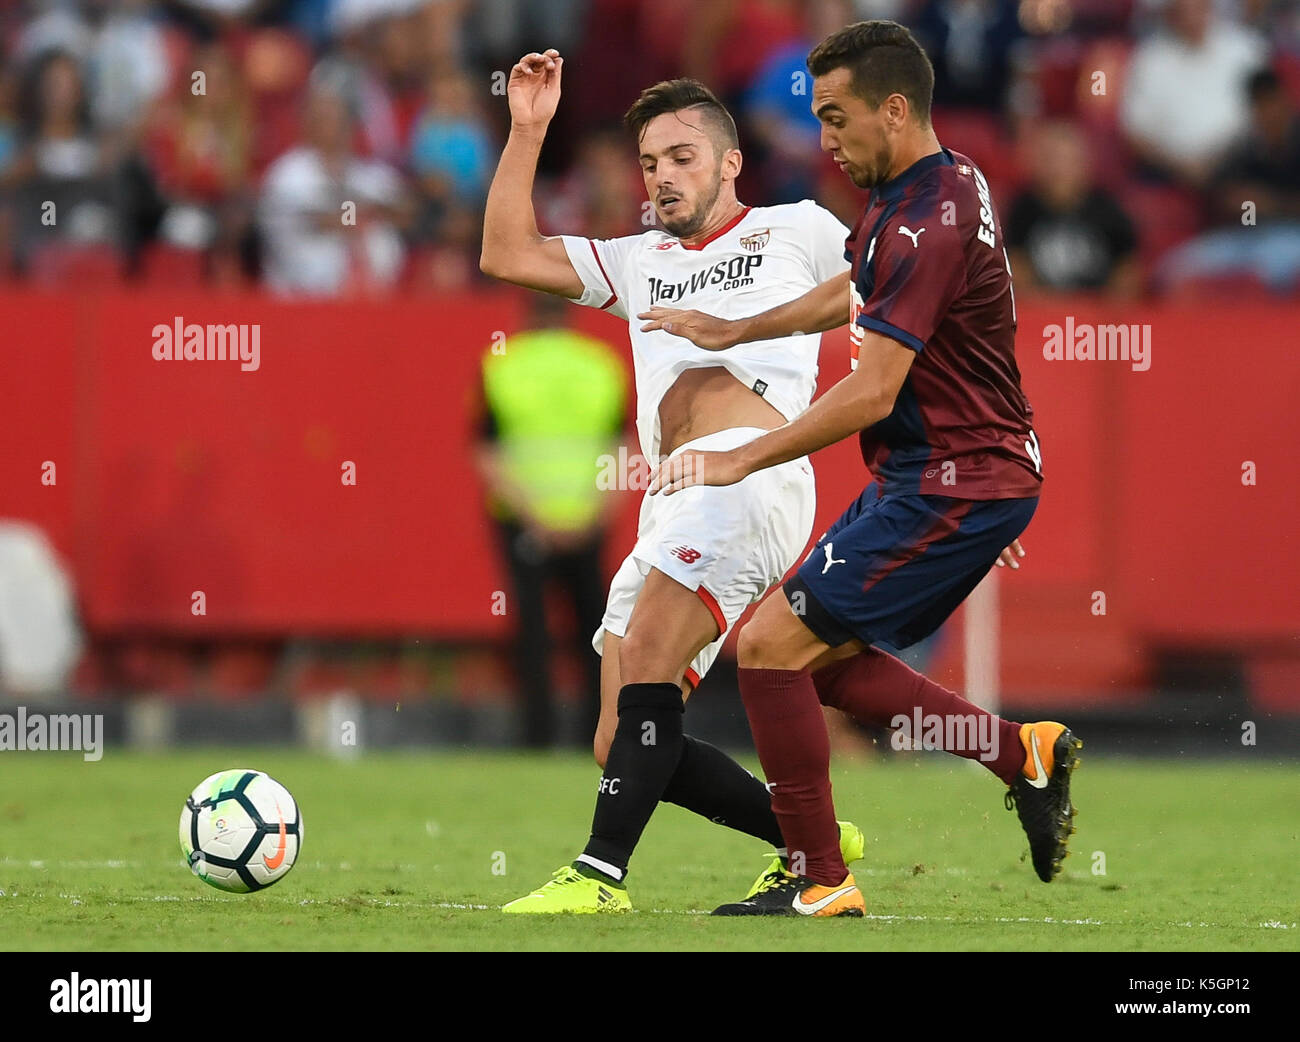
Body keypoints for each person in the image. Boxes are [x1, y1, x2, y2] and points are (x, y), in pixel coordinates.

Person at [643, 21, 1080, 916]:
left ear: (893, 108)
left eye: (836, 119)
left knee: (768, 648)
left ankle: (820, 878)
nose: (824, 141)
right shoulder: (931, 183)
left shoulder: (925, 219)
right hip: (947, 476)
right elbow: (856, 282)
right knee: (819, 662)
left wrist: (743, 457)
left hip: (953, 479)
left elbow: (873, 391)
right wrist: (738, 329)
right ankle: (1019, 754)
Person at [479, 50, 864, 913]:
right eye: (650, 162)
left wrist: (743, 327)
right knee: (620, 736)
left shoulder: (796, 228)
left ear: (730, 162)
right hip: (674, 498)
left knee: (649, 659)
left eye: (683, 156)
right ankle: (812, 845)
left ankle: (599, 875)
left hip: (750, 474)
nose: (662, 176)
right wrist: (529, 130)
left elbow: (893, 282)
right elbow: (505, 251)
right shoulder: (637, 259)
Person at [475, 293, 628, 748]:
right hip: (587, 520)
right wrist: (598, 514)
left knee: (533, 634)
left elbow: (488, 453)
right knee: (596, 632)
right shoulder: (601, 364)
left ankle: (536, 737)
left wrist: (532, 517)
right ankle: (595, 735)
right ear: (569, 315)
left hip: (525, 522)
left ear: (527, 315)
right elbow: (623, 448)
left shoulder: (502, 366)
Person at [1004, 120, 1140, 298]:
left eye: (1067, 160)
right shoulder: (1021, 211)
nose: (1059, 169)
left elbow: (1128, 271)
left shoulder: (1109, 209)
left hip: (1096, 318)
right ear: (1037, 163)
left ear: (1085, 163)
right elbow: (1016, 271)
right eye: (1052, 159)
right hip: (1041, 314)